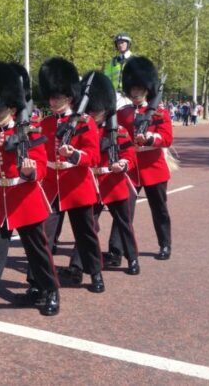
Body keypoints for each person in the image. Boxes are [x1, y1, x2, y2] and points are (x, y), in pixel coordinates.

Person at [0, 61, 60, 326]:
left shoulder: (31, 130)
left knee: (38, 252)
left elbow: (42, 167)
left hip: (26, 199)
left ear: (12, 106)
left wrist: (30, 172)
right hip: (0, 201)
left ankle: (50, 291)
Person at [37, 58, 104, 293]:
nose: (53, 101)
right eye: (51, 97)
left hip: (76, 185)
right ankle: (39, 281)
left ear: (69, 97)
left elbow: (94, 156)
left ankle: (95, 273)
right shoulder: (44, 123)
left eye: (58, 97)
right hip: (51, 187)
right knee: (44, 235)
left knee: (85, 234)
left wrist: (74, 155)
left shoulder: (85, 122)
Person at [78, 72, 140, 275]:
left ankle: (132, 259)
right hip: (92, 183)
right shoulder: (84, 129)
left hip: (113, 182)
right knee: (87, 227)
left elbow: (130, 155)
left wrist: (123, 163)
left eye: (97, 112)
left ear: (106, 111)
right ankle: (77, 265)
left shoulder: (118, 131)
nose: (93, 116)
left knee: (124, 224)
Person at [116, 56, 174, 260]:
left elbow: (167, 138)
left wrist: (150, 138)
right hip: (131, 169)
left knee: (159, 210)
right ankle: (118, 249)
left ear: (147, 89)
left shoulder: (159, 112)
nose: (135, 93)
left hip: (153, 168)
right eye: (132, 89)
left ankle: (165, 244)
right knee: (123, 211)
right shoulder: (122, 113)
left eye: (139, 89)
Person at [104, 33, 134, 108]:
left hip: (130, 96)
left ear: (128, 44)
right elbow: (106, 78)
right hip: (115, 96)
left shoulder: (135, 60)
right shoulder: (113, 62)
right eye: (118, 43)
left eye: (122, 42)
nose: (120, 45)